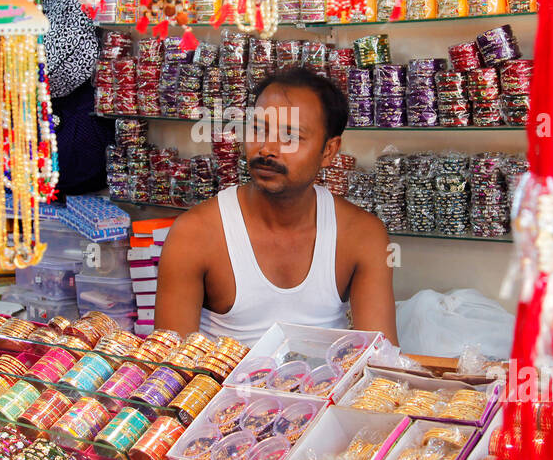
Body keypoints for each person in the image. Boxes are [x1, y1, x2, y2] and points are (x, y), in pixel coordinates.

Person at [154, 67, 398, 346]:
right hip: (218, 388)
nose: (267, 148)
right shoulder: (194, 234)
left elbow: (382, 362)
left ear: (329, 151)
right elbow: (170, 367)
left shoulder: (363, 235)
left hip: (324, 388)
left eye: (290, 137)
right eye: (258, 129)